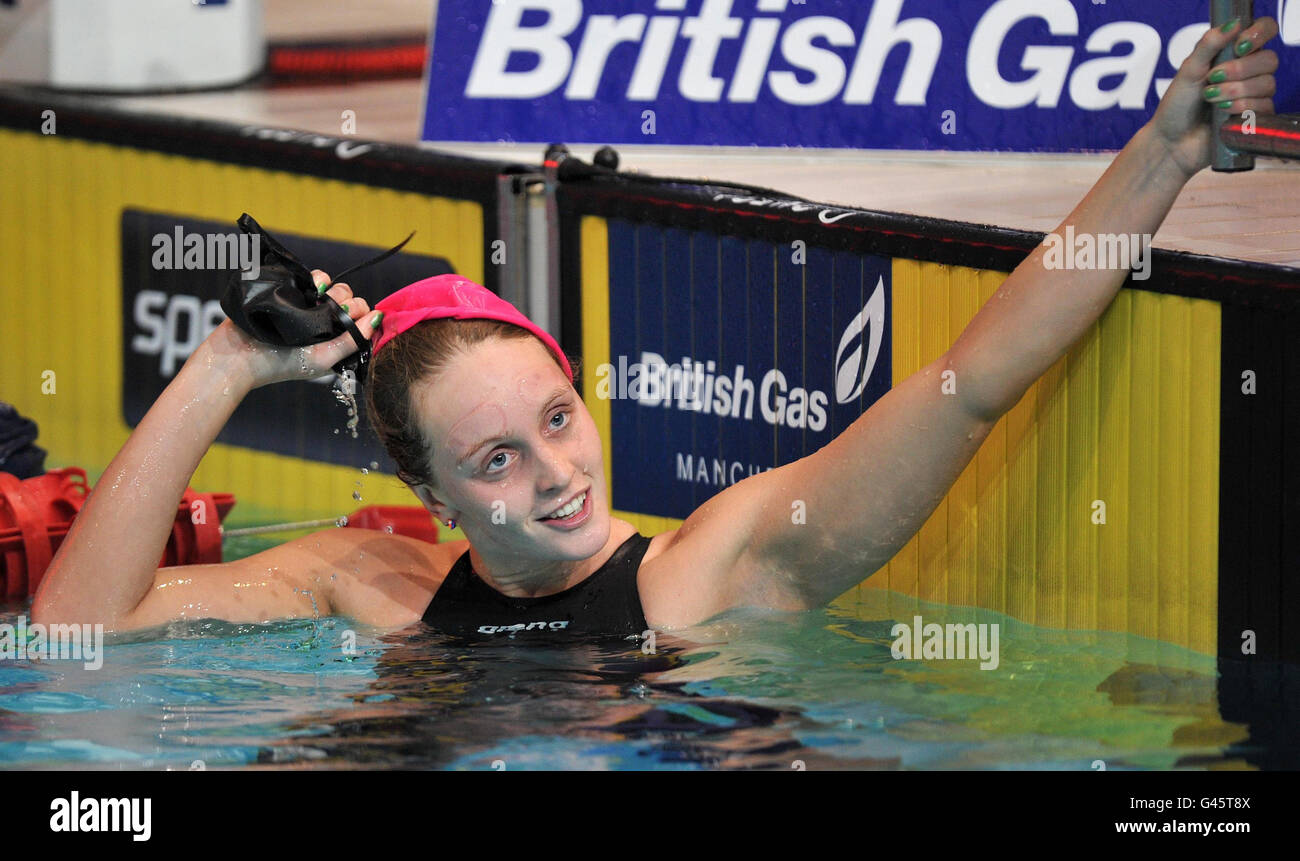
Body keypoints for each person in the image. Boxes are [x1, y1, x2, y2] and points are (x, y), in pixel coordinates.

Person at [32, 18, 1281, 638]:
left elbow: (968, 384)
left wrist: (1163, 154)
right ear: (425, 485)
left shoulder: (712, 573)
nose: (558, 474)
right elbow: (76, 643)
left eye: (556, 420)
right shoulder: (370, 586)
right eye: (496, 461)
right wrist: (223, 369)